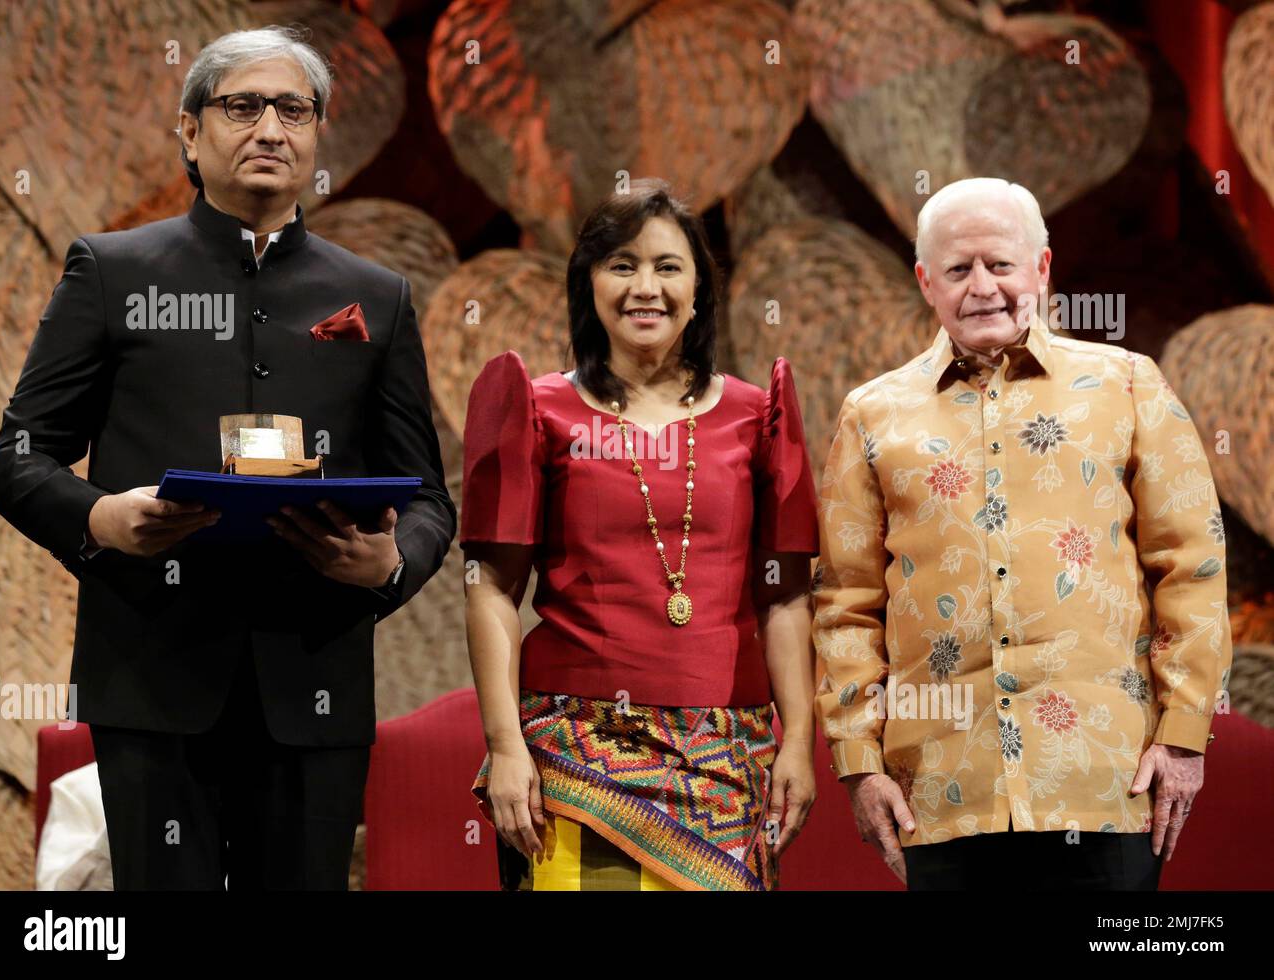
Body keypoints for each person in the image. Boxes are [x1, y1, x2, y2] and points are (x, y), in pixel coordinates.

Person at [0, 26, 455, 889]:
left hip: (313, 683)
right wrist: (99, 518)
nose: (270, 129)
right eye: (243, 107)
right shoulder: (112, 272)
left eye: (293, 110)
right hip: (152, 679)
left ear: (316, 135)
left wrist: (391, 564)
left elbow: (429, 498)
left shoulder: (376, 296)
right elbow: (18, 456)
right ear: (191, 132)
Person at [812, 176, 1233, 890]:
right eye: (958, 269)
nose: (982, 287)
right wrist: (858, 762)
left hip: (1107, 782)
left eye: (1001, 264)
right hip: (940, 793)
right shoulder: (871, 413)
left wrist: (1185, 737)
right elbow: (844, 601)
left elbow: (1191, 565)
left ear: (1041, 268)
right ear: (925, 282)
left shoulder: (1127, 385)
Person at [460, 179, 819, 890]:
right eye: (621, 265)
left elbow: (785, 597)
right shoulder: (538, 408)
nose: (645, 288)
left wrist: (799, 743)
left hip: (727, 758)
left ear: (698, 289)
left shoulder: (756, 415)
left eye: (667, 267)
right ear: (589, 284)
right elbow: (491, 588)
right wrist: (504, 744)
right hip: (577, 754)